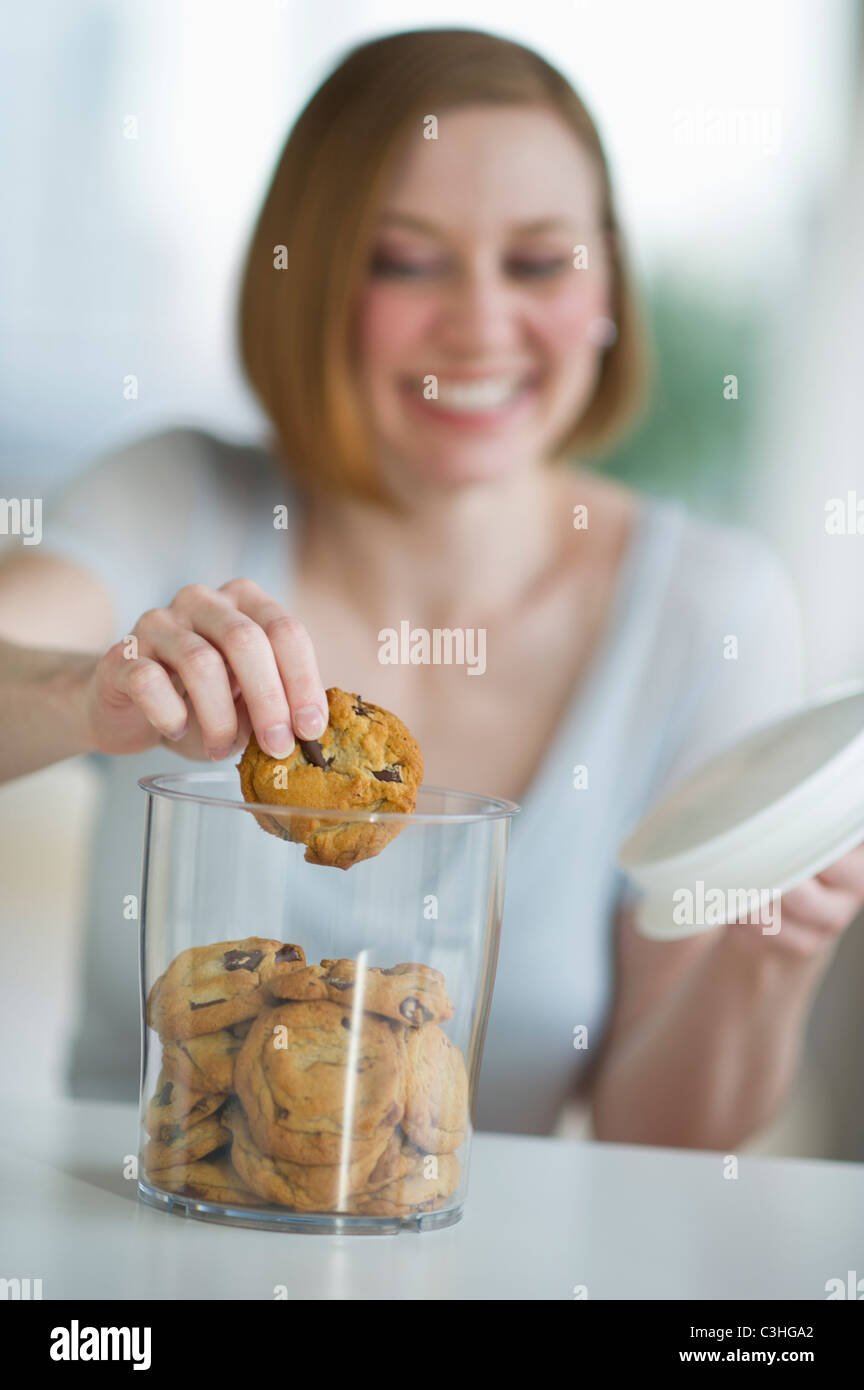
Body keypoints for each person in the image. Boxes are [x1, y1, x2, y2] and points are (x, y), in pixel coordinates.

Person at [1, 29, 861, 1144]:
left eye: (539, 261)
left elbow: (662, 1151)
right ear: (306, 282)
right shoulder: (173, 497)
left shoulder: (713, 610)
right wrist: (88, 693)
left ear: (606, 286)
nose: (481, 323)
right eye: (406, 261)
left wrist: (769, 954)